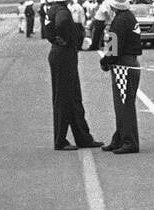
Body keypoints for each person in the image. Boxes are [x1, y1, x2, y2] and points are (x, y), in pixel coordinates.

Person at [46, 3, 100, 149]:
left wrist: (54, 39)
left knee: (73, 98)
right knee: (65, 98)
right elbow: (62, 23)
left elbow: (48, 30)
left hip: (59, 53)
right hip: (64, 55)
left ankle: (83, 137)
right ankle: (60, 140)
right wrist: (66, 39)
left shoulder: (52, 9)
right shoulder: (62, 11)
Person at [102, 0, 142, 153]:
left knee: (124, 104)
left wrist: (105, 61)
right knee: (123, 103)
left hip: (123, 64)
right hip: (131, 61)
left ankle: (129, 141)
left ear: (112, 6)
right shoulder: (129, 17)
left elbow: (114, 48)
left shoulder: (118, 22)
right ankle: (119, 137)